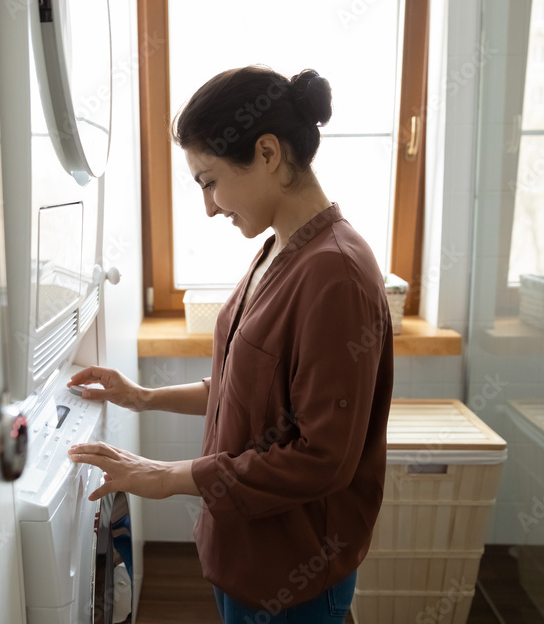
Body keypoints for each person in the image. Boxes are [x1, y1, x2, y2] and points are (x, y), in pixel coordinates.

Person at [67, 65, 393, 624]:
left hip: (293, 574)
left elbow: (323, 457)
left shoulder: (334, 274)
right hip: (246, 552)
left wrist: (166, 476)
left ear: (267, 153)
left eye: (209, 180)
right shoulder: (276, 250)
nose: (210, 206)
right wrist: (143, 396)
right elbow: (254, 391)